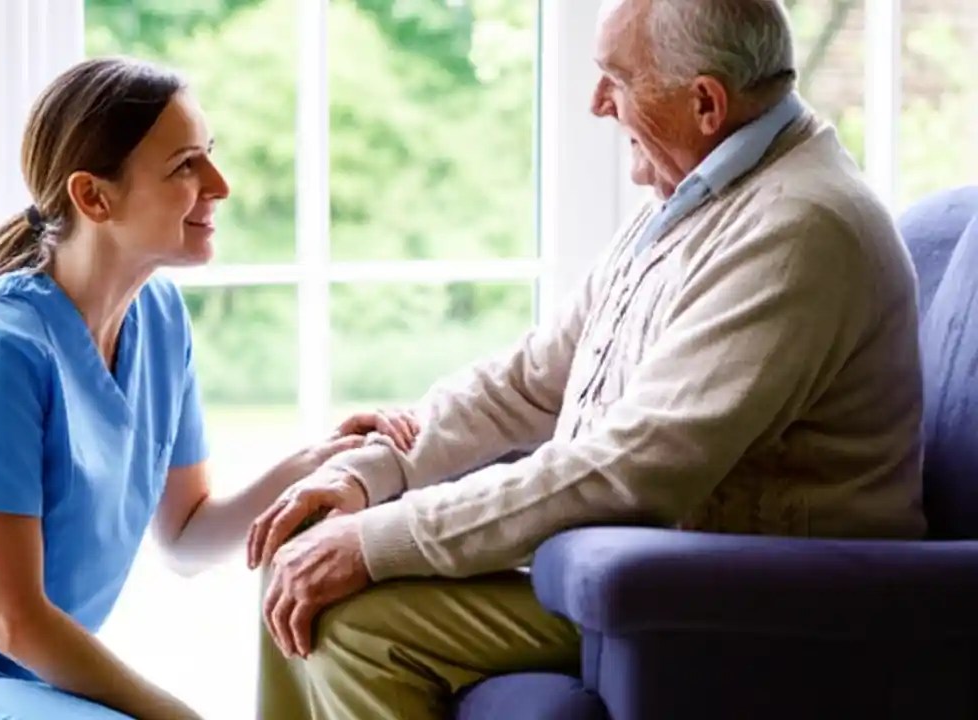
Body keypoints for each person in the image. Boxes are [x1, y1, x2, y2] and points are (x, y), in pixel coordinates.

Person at [248, 0, 926, 718]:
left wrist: (380, 539)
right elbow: (534, 378)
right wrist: (378, 471)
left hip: (732, 603)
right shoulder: (700, 196)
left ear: (705, 103)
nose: (596, 102)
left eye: (617, 78)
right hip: (629, 574)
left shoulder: (797, 228)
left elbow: (633, 468)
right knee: (293, 564)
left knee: (343, 618)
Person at [0, 56, 419, 720]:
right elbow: (14, 620)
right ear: (94, 197)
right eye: (185, 167)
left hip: (12, 677)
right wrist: (181, 715)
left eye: (210, 156)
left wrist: (316, 462)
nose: (220, 185)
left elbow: (189, 534)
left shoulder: (160, 318)